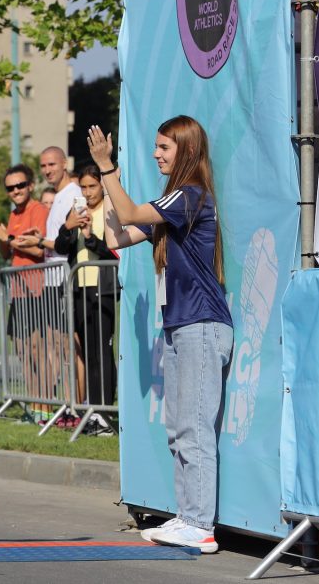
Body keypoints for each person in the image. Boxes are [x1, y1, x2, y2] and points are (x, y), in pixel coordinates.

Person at [89, 118, 231, 553]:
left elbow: (132, 213)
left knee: (194, 429)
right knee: (178, 429)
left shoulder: (190, 196)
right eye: (155, 146)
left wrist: (106, 168)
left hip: (201, 325)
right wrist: (105, 188)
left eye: (164, 147)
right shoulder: (173, 204)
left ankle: (200, 525)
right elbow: (119, 235)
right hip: (180, 326)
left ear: (186, 150)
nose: (156, 154)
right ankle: (187, 517)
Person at [53, 165, 119, 412]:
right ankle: (92, 409)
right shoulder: (76, 211)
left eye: (92, 186)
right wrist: (67, 226)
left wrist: (90, 237)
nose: (88, 192)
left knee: (102, 350)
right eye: (83, 187)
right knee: (87, 351)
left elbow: (115, 252)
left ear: (102, 186)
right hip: (78, 288)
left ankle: (104, 409)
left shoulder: (110, 210)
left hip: (103, 288)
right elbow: (60, 248)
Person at [0, 165, 49, 421]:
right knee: (22, 351)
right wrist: (1, 239)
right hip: (18, 291)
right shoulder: (13, 214)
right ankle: (34, 405)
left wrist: (8, 237)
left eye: (20, 185)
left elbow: (39, 250)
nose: (15, 191)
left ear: (31, 186)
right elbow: (7, 253)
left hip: (38, 288)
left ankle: (45, 407)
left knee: (37, 350)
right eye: (10, 188)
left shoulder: (39, 210)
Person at [38, 147, 80, 425]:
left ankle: (74, 406)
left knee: (67, 346)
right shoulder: (57, 197)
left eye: (52, 164)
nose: (47, 170)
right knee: (55, 343)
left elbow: (68, 241)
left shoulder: (74, 194)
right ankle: (65, 405)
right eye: (43, 166)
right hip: (51, 278)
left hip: (66, 277)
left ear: (65, 163)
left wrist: (38, 241)